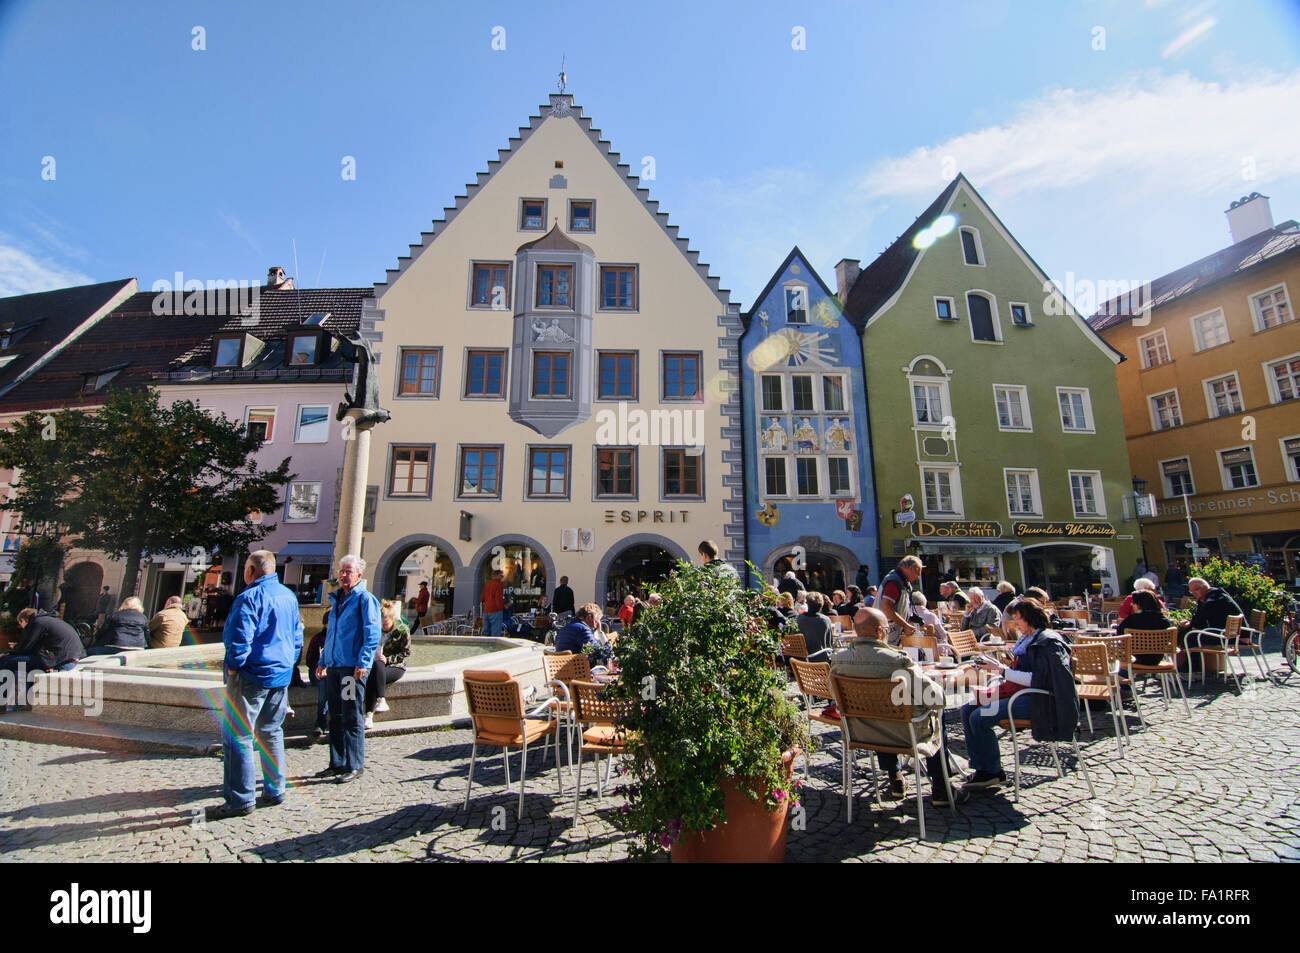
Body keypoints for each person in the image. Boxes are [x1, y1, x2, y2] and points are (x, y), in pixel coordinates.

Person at [830, 606, 970, 807]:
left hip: (861, 731)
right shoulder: (898, 661)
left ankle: (894, 776)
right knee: (937, 716)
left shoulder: (838, 660)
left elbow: (834, 693)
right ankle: (941, 787)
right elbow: (937, 699)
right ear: (880, 632)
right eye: (887, 629)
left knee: (876, 711)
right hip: (905, 733)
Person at [208, 550, 303, 820]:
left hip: (252, 675)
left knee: (238, 736)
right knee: (272, 731)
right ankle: (275, 789)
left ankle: (240, 799)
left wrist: (233, 667)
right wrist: (288, 664)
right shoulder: (289, 596)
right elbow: (297, 636)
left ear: (250, 570)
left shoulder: (249, 597)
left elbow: (239, 639)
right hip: (280, 674)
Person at [960, 597, 1079, 791]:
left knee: (980, 716)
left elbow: (1041, 679)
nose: (1014, 623)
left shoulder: (1048, 642)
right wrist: (999, 667)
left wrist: (1002, 671)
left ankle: (993, 771)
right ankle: (981, 767)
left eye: (1018, 619)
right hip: (1021, 693)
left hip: (1041, 699)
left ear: (1031, 618)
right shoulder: (1029, 639)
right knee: (967, 709)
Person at [315, 554, 380, 783]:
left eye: (348, 571)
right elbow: (331, 634)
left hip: (351, 669)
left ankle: (355, 764)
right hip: (334, 666)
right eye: (341, 571)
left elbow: (372, 635)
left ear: (359, 576)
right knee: (336, 715)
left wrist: (363, 662)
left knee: (352, 715)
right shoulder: (337, 599)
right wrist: (323, 661)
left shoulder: (364, 599)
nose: (343, 575)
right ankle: (337, 762)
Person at [1, 609, 84, 695]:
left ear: (22, 620)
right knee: (24, 665)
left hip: (57, 660)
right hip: (69, 657)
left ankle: (3, 699)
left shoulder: (37, 623)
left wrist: (10, 651)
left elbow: (24, 648)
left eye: (20, 624)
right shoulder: (49, 620)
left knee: (6, 661)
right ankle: (24, 700)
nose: (22, 628)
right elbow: (32, 646)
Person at [1179, 576, 1243, 668]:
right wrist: (1192, 622)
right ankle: (1192, 666)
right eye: (1191, 591)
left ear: (1204, 588)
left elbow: (1200, 621)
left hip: (1232, 636)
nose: (1193, 594)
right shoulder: (1216, 595)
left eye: (1195, 590)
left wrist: (1190, 624)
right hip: (1232, 634)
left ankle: (1193, 667)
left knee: (1190, 636)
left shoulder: (1213, 599)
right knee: (1192, 634)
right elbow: (1201, 620)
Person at [365, 600, 410, 730]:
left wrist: (388, 659)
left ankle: (368, 715)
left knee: (374, 676)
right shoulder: (375, 631)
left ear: (392, 620)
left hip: (396, 666)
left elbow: (406, 652)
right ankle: (380, 700)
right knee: (376, 666)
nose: (384, 627)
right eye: (381, 624)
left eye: (386, 624)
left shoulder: (402, 631)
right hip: (377, 666)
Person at [1117, 590, 1176, 665]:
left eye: (1133, 602)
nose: (1131, 604)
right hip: (1156, 660)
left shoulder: (1131, 620)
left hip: (1134, 660)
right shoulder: (1164, 621)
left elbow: (1120, 636)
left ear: (1139, 604)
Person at [878, 556, 923, 645]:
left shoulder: (901, 581)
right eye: (918, 572)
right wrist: (905, 625)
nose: (918, 577)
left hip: (890, 632)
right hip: (887, 633)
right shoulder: (894, 581)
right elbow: (885, 607)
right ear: (911, 568)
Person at [306, 610, 330, 743]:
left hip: (331, 675)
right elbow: (309, 661)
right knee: (324, 682)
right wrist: (320, 667)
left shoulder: (340, 638)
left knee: (327, 682)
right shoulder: (317, 639)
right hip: (317, 673)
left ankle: (321, 722)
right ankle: (321, 721)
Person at [480, 569, 505, 637]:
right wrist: (501, 608)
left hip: (486, 611)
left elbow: (482, 599)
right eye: (501, 576)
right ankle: (494, 647)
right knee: (495, 633)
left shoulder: (487, 585)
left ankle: (484, 646)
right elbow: (498, 599)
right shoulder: (498, 585)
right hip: (495, 611)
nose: (502, 578)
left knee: (485, 632)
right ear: (498, 576)